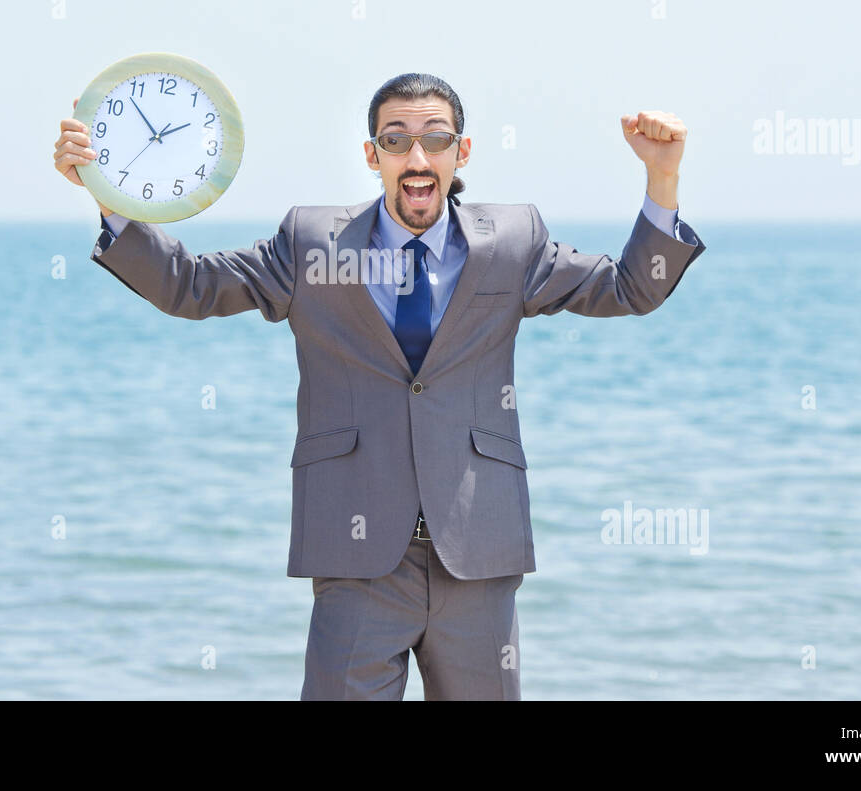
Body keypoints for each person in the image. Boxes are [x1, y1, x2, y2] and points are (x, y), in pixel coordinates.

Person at [52, 72, 706, 699]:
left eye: (435, 138)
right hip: (355, 554)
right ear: (373, 154)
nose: (417, 157)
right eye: (396, 139)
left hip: (476, 551)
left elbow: (631, 287)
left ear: (461, 151)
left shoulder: (514, 241)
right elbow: (191, 286)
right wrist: (107, 194)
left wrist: (662, 176)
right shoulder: (312, 242)